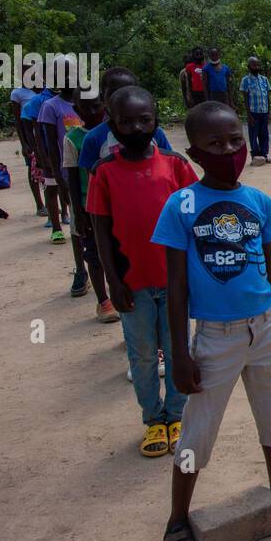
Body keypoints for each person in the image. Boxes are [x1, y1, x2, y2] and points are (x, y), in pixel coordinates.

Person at [152, 101, 271, 541]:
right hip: (215, 339)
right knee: (197, 432)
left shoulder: (260, 202)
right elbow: (176, 287)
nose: (230, 150)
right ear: (194, 153)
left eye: (236, 140)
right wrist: (179, 352)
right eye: (216, 144)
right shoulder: (180, 206)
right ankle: (176, 526)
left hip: (265, 328)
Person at [87, 86, 197, 457]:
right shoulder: (104, 172)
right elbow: (100, 230)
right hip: (132, 285)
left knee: (177, 347)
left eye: (144, 120)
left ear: (156, 120)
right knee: (144, 355)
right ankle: (153, 421)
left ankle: (177, 415)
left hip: (176, 283)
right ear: (111, 123)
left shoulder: (176, 165)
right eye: (126, 121)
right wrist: (111, 282)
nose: (136, 127)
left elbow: (195, 222)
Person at [64, 85, 116, 323]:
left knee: (117, 254)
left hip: (116, 206)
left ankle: (119, 296)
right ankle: (103, 301)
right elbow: (72, 179)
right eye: (87, 108)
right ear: (77, 110)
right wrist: (78, 211)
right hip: (88, 207)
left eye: (97, 106)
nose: (93, 112)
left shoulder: (115, 133)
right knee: (94, 255)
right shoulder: (73, 139)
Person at [37, 57, 83, 261]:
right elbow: (50, 144)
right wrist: (58, 176)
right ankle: (80, 268)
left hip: (90, 170)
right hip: (67, 171)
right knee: (77, 222)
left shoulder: (88, 100)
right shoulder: (50, 106)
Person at [12, 82, 47, 218]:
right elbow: (18, 122)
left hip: (46, 137)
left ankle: (52, 205)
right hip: (31, 139)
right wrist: (24, 144)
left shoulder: (46, 90)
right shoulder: (18, 93)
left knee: (49, 174)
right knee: (33, 170)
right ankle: (39, 205)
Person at [240, 56, 271, 166]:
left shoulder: (264, 79)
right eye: (254, 65)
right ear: (249, 67)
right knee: (253, 134)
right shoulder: (245, 80)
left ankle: (264, 154)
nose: (257, 67)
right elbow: (245, 98)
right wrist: (248, 114)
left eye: (258, 65)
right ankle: (255, 155)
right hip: (253, 112)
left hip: (264, 111)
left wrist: (269, 112)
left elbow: (267, 96)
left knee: (264, 134)